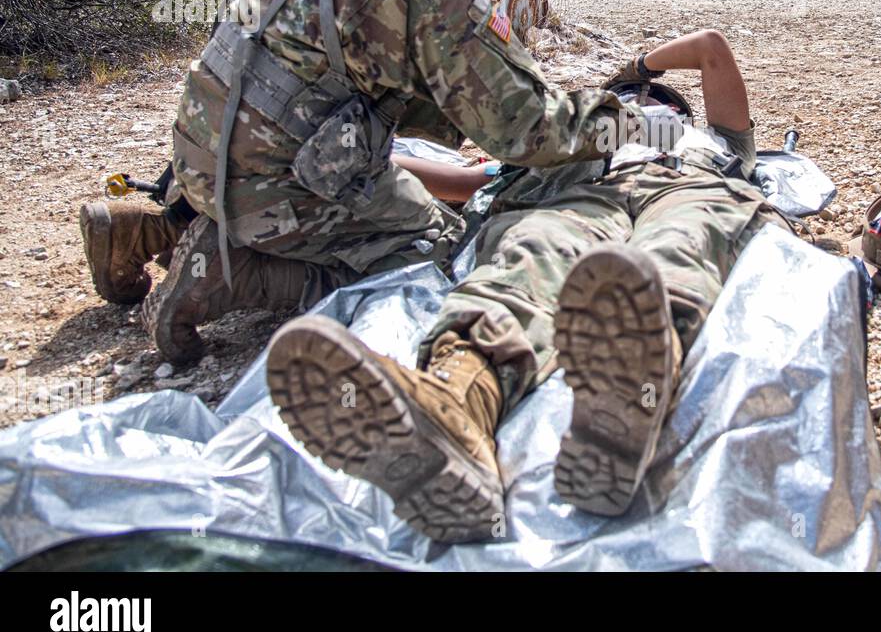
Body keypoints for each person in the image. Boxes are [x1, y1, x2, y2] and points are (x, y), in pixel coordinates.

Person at [78, 0, 646, 366]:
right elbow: (525, 126)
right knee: (438, 252)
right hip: (267, 183)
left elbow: (392, 75)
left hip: (200, 151)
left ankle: (145, 229)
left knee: (349, 179)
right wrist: (627, 122)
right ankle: (229, 277)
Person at [263, 29, 795, 542]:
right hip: (584, 198)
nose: (643, 110)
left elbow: (711, 49)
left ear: (680, 113)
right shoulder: (571, 140)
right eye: (631, 104)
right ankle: (455, 406)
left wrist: (636, 74)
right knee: (531, 251)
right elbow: (469, 180)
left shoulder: (714, 139)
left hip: (688, 188)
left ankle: (633, 398)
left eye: (655, 105)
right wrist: (360, 161)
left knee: (677, 248)